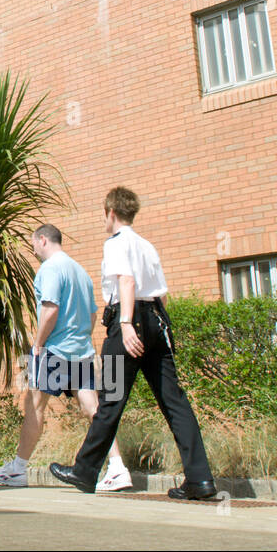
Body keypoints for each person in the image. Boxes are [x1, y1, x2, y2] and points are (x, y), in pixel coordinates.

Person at [50, 188, 216, 500]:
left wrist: (126, 324)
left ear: (110, 213)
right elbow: (162, 294)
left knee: (110, 398)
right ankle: (200, 479)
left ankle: (84, 471)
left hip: (126, 323)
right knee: (174, 401)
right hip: (156, 320)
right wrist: (151, 326)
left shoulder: (116, 243)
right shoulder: (147, 245)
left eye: (103, 214)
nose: (103, 219)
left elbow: (126, 280)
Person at [0, 224, 131, 491]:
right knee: (94, 409)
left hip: (54, 349)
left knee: (34, 405)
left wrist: (38, 343)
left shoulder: (51, 268)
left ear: (43, 240)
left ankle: (18, 470)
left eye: (33, 244)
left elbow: (50, 308)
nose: (33, 250)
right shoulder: (80, 272)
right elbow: (91, 314)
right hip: (82, 351)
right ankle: (117, 467)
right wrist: (80, 339)